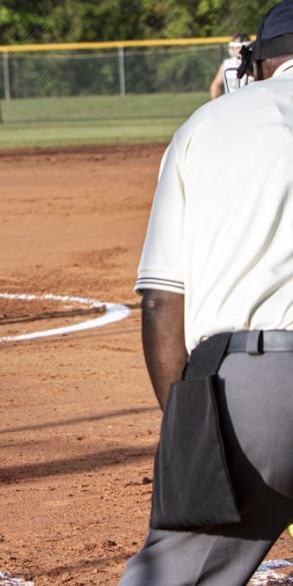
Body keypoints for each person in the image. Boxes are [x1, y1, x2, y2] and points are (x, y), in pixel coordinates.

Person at [120, 2, 293, 584]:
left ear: (260, 61)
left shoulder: (207, 124)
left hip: (249, 391)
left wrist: (193, 434)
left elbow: (161, 301)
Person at [210, 33, 252, 99]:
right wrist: (215, 100)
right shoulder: (227, 64)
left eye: (240, 47)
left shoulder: (254, 64)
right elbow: (216, 84)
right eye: (236, 47)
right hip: (230, 104)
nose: (239, 50)